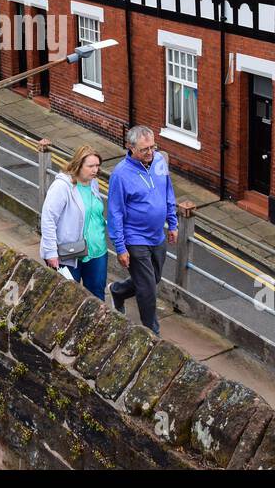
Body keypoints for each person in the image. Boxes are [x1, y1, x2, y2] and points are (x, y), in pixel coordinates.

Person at [106, 125, 177, 335]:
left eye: (152, 147)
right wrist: (120, 247)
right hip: (135, 238)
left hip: (157, 235)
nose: (150, 153)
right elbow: (115, 213)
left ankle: (118, 291)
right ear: (130, 147)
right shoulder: (120, 174)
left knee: (153, 278)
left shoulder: (159, 162)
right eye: (144, 149)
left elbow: (168, 191)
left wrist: (172, 223)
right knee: (147, 288)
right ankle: (151, 332)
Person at [39, 146, 109, 300]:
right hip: (70, 253)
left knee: (97, 296)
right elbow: (48, 219)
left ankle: (95, 324)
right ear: (78, 165)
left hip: (97, 251)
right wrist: (50, 252)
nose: (95, 170)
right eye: (91, 166)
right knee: (69, 298)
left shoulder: (93, 183)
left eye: (97, 166)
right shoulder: (62, 186)